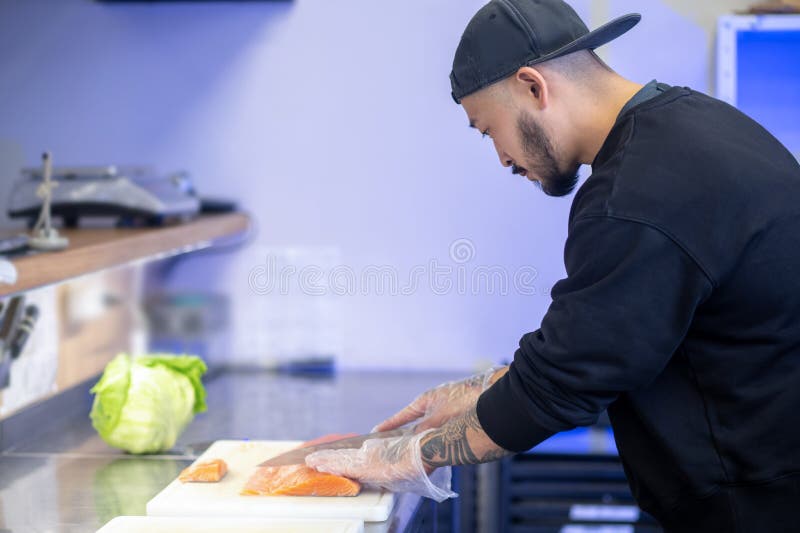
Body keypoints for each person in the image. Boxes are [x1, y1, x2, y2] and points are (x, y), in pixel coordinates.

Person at [306, 1, 800, 531]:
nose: (501, 159)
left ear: (532, 87)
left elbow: (562, 386)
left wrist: (410, 456)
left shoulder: (636, 194)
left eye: (487, 129)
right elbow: (596, 344)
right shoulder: (688, 125)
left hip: (756, 508)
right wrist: (477, 390)